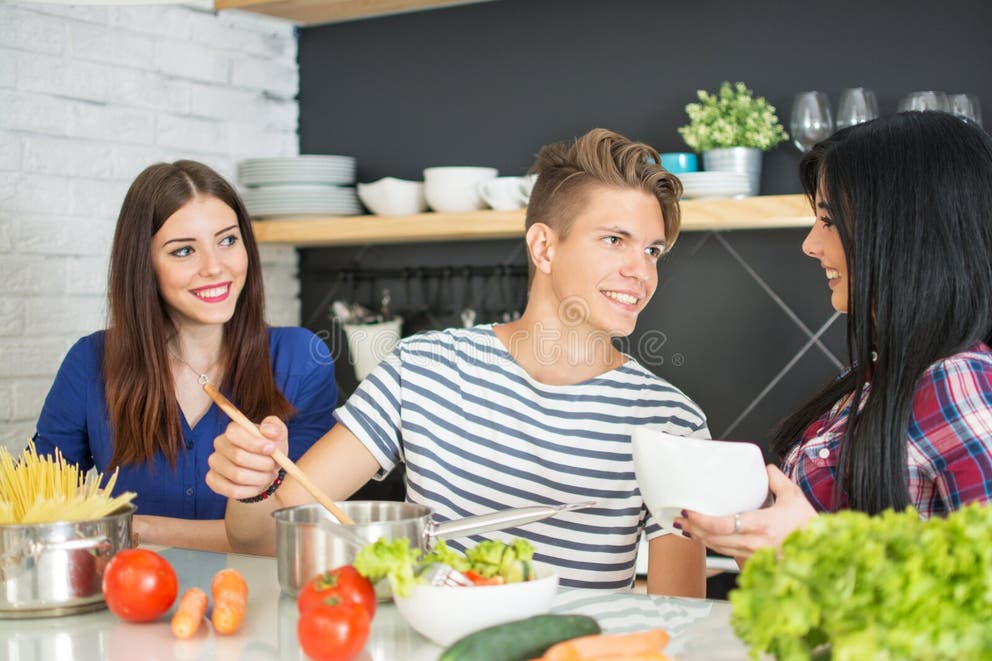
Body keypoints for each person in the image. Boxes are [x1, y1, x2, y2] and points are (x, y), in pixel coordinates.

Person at [206, 128, 711, 596]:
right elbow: (266, 534)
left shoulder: (672, 423)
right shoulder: (422, 369)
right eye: (614, 240)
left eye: (652, 250)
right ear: (544, 247)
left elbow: (679, 619)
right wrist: (249, 485)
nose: (640, 271)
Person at [675, 111, 992, 559]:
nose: (810, 244)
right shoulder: (872, 379)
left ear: (903, 229)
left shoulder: (956, 383)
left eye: (828, 220)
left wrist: (818, 548)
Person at [34, 160, 338, 552]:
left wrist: (132, 527)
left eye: (228, 240)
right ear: (144, 265)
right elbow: (35, 508)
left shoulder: (302, 359)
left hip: (268, 603)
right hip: (131, 604)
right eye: (183, 251)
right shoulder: (89, 363)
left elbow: (294, 532)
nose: (215, 267)